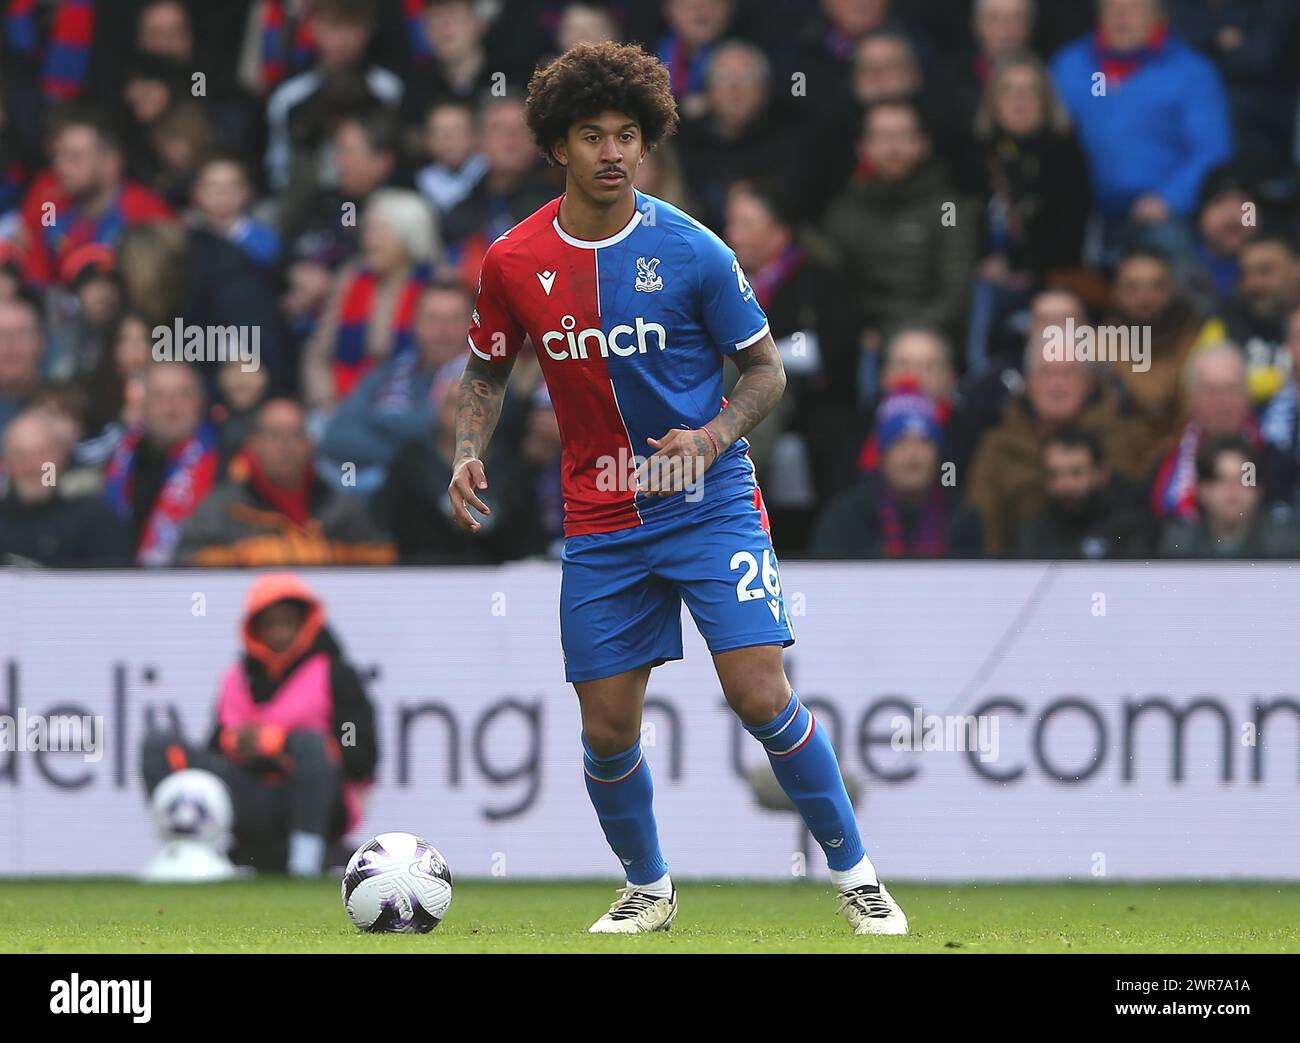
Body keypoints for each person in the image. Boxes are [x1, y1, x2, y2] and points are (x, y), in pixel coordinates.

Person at [448, 41, 907, 936]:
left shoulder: (693, 250)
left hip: (709, 502)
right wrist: (469, 447)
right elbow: (485, 372)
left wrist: (711, 436)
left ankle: (858, 878)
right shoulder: (512, 261)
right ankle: (648, 888)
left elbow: (767, 371)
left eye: (628, 134)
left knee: (760, 693)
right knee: (609, 728)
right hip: (601, 517)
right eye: (592, 136)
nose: (613, 152)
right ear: (557, 146)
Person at [140, 572, 378, 875]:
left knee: (312, 744)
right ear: (254, 628)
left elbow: (361, 757)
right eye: (271, 623)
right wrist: (232, 743)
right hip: (246, 796)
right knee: (160, 744)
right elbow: (214, 749)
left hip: (312, 799)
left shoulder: (336, 674)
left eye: (288, 621)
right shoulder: (236, 676)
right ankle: (185, 853)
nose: (280, 632)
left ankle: (304, 861)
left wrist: (281, 744)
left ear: (307, 623)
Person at [174, 397, 396, 566]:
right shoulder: (223, 508)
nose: (285, 446)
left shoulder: (341, 508)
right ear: (253, 444)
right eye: (274, 435)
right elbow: (185, 561)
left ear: (310, 445)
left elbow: (384, 557)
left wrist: (327, 553)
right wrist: (244, 556)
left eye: (295, 435)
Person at [809, 382, 982, 559]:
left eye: (924, 442)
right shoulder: (845, 519)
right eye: (899, 442)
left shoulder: (962, 519)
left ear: (938, 454)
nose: (913, 456)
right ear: (881, 456)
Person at [104, 361, 219, 566]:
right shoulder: (120, 456)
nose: (172, 407)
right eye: (159, 396)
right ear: (144, 404)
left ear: (200, 402)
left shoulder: (223, 462)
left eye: (183, 395)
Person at [0, 410, 131, 566]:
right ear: (6, 462)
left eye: (42, 453)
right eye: (20, 455)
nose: (32, 465)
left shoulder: (94, 519)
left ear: (60, 456)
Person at [1009, 429, 1149, 559]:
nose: (1065, 485)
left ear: (1101, 474)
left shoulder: (1127, 530)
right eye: (1054, 475)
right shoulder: (1031, 534)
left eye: (1076, 473)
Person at [1159, 435, 1300, 558]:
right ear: (1201, 489)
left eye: (1244, 480)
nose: (1232, 490)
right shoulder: (1178, 543)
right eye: (1220, 479)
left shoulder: (1286, 544)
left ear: (1259, 489)